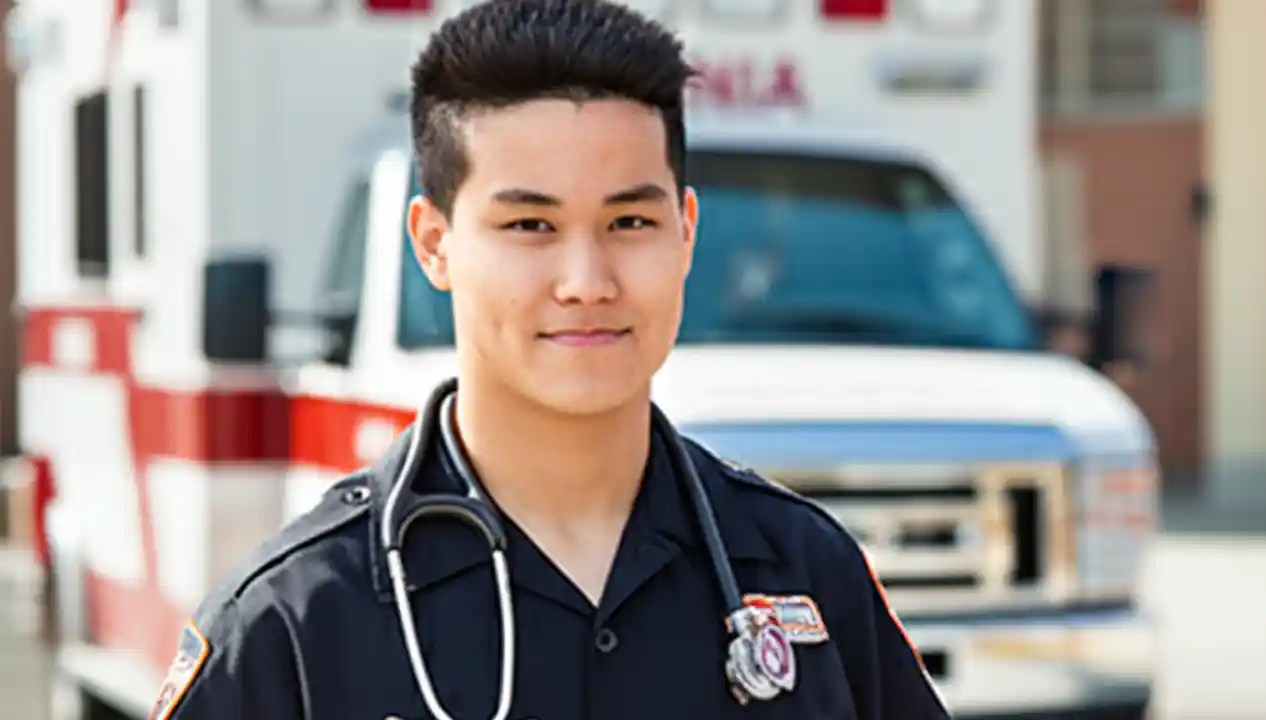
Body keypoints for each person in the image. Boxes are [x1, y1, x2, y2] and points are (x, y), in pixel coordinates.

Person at [149, 1, 950, 718]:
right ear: (435, 244)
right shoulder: (294, 622)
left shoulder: (805, 570)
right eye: (530, 227)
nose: (586, 282)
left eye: (630, 223)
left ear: (686, 233)